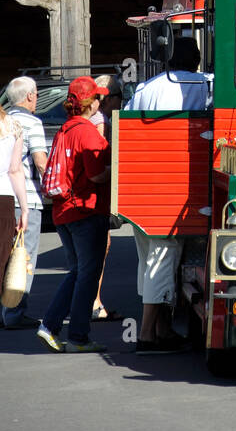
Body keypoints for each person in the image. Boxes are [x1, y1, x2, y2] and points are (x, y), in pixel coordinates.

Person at [125, 38, 210, 352]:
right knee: (163, 259)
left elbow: (129, 131)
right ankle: (147, 335)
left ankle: (161, 330)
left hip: (142, 183)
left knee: (148, 260)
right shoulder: (207, 86)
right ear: (197, 61)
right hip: (180, 185)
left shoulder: (146, 88)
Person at [37, 78, 110, 354]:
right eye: (99, 98)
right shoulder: (87, 132)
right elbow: (95, 174)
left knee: (78, 271)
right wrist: (115, 170)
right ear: (90, 103)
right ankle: (76, 334)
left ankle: (52, 325)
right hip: (85, 210)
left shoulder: (64, 129)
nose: (101, 102)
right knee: (87, 274)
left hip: (62, 211)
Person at [1, 77, 47, 329]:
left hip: (3, 198)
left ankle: (3, 312)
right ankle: (14, 313)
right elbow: (40, 162)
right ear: (29, 96)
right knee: (23, 257)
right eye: (37, 94)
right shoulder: (32, 122)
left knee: (3, 255)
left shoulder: (3, 120)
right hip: (25, 198)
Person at [90, 75, 125, 321]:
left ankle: (94, 301)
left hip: (89, 197)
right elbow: (99, 163)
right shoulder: (101, 123)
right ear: (109, 98)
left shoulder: (94, 119)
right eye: (120, 98)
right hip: (95, 195)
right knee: (98, 247)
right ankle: (93, 303)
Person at [0, 100, 29, 320]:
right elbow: (14, 170)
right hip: (4, 199)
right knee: (2, 259)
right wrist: (25, 209)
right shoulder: (12, 125)